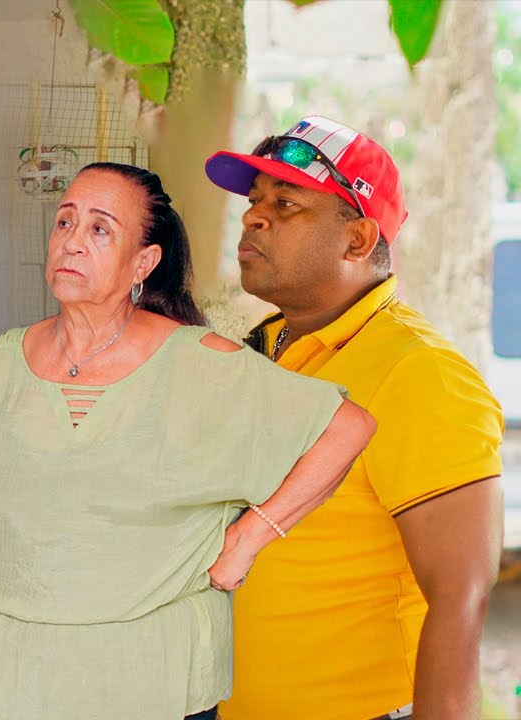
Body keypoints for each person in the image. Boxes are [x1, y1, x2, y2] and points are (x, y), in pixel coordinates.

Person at [0, 162, 379, 720]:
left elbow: (347, 425)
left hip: (155, 685)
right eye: (65, 222)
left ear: (143, 263)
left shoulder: (199, 362)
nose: (71, 241)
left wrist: (250, 538)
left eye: (99, 229)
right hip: (19, 684)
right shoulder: (6, 362)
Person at [205, 116, 506, 720]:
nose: (253, 217)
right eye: (254, 201)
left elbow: (460, 598)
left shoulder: (419, 373)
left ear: (358, 239)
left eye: (286, 204)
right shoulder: (262, 347)